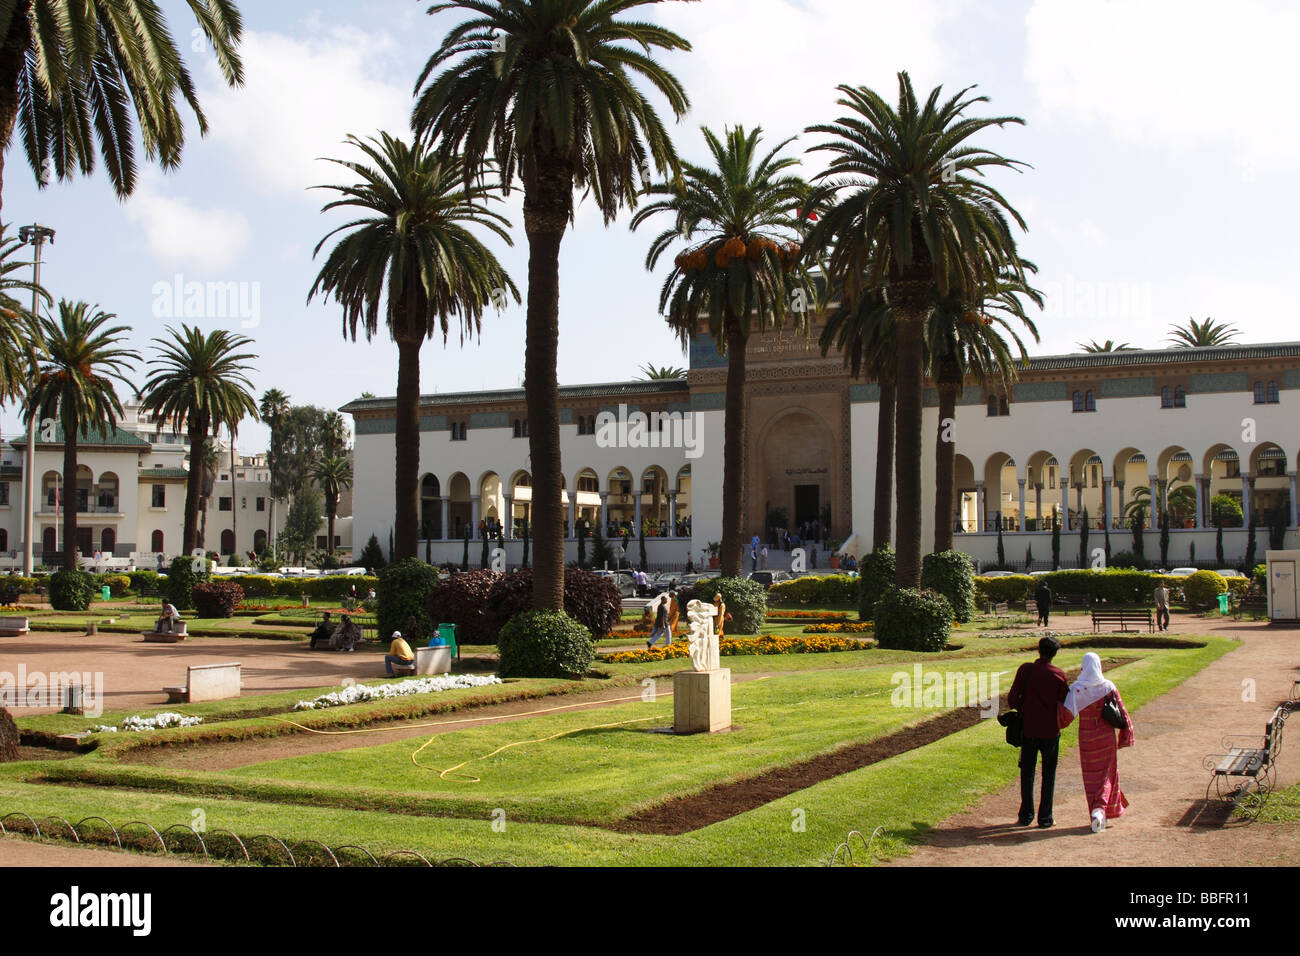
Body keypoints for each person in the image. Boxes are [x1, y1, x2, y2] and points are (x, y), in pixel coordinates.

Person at [1063, 652, 1134, 832]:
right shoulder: (1107, 686)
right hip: (1106, 737)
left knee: (1091, 777)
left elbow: (1066, 716)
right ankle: (1100, 811)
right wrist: (1126, 735)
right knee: (1107, 774)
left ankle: (1097, 811)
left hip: (1087, 738)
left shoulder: (1077, 688)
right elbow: (1123, 714)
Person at [1007, 636, 1070, 828]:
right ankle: (1045, 817)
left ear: (1039, 650)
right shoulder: (1059, 675)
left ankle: (1026, 815)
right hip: (1050, 730)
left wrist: (1025, 708)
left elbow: (1012, 699)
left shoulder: (1026, 670)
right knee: (1048, 774)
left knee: (1027, 773)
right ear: (1054, 654)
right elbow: (1065, 703)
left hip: (1029, 728)